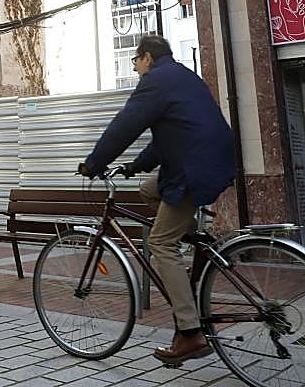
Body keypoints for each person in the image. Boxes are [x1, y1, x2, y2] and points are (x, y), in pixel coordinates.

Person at [78, 35, 236, 365]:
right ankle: (189, 236)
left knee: (161, 244)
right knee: (148, 190)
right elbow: (166, 141)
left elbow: (125, 125)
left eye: (135, 61)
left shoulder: (156, 81)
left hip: (195, 168)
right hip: (207, 160)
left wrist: (95, 162)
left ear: (147, 58)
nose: (135, 67)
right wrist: (133, 167)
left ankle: (190, 332)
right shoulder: (181, 76)